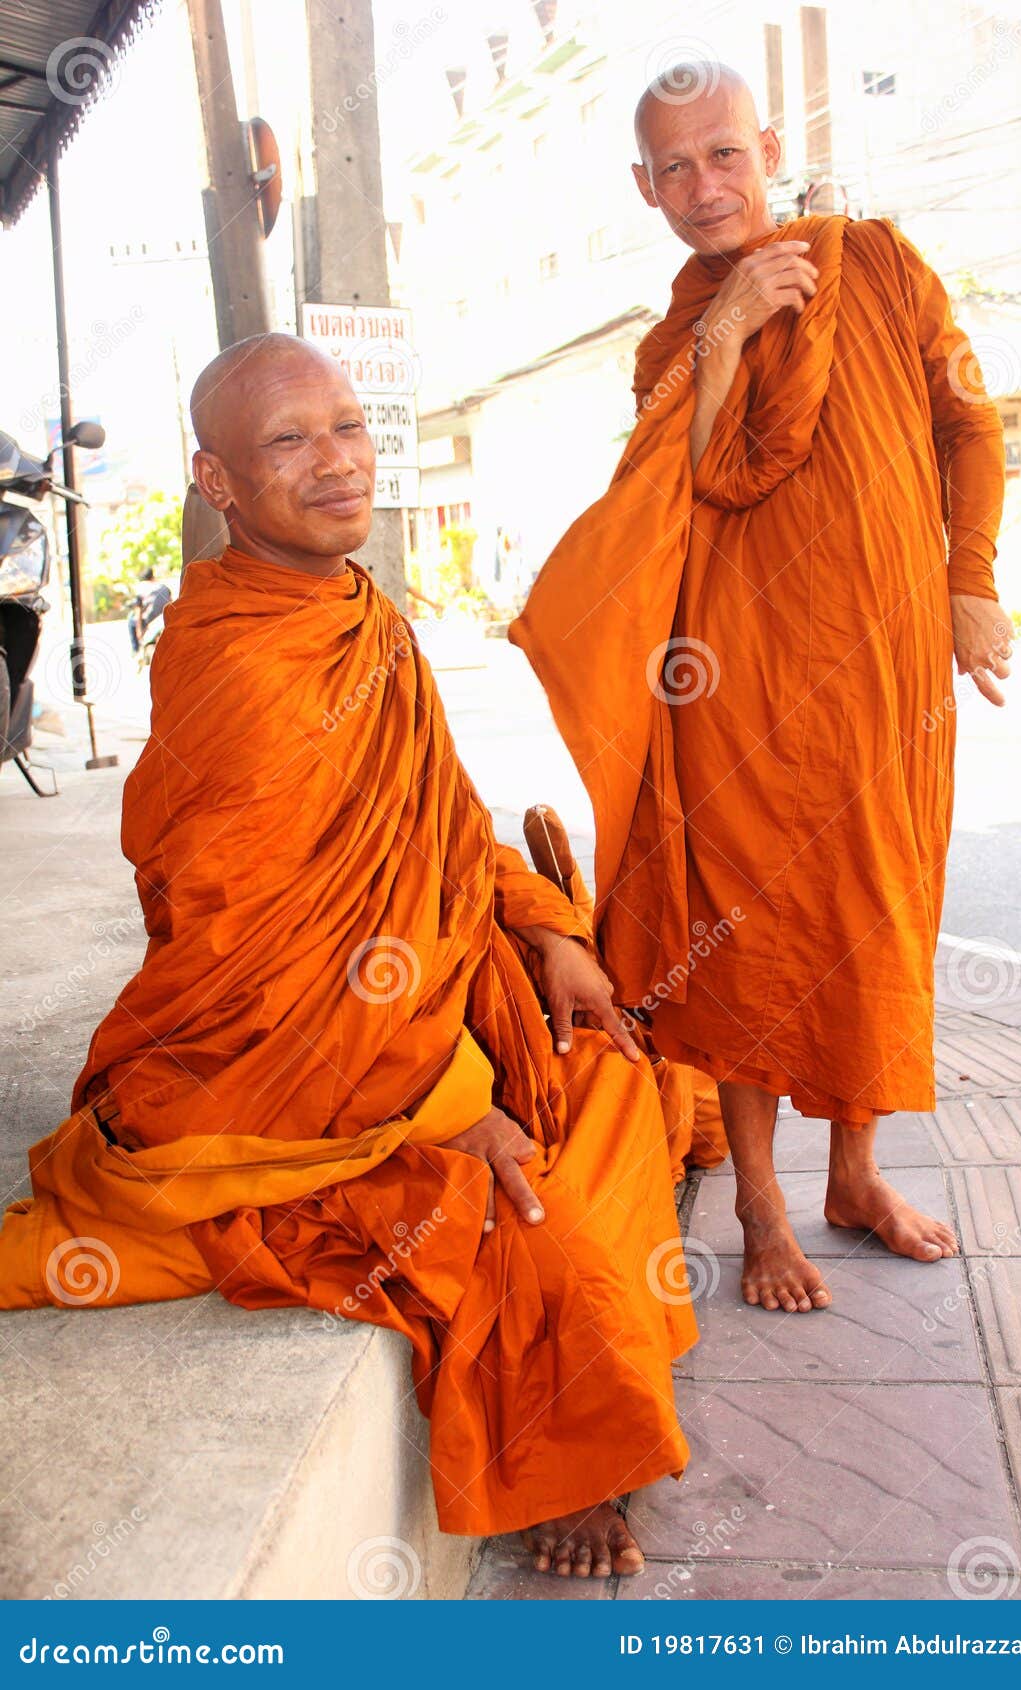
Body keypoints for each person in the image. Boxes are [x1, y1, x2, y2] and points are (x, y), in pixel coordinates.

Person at [0, 333, 696, 1579]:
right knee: (510, 1212)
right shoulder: (241, 662)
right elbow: (260, 961)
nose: (337, 464)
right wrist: (439, 1105)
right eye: (288, 441)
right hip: (278, 1077)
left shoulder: (361, 612)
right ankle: (569, 1470)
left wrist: (544, 929)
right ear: (217, 483)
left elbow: (443, 810)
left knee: (615, 1081)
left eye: (348, 427)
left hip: (404, 1019)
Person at [511, 64, 1012, 1315]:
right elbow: (701, 479)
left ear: (767, 147)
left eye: (721, 155)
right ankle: (759, 1202)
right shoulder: (669, 339)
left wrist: (970, 578)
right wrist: (728, 326)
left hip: (888, 670)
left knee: (870, 913)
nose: (702, 186)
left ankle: (854, 1175)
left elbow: (970, 424)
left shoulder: (878, 265)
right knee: (737, 929)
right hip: (728, 676)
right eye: (672, 168)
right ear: (642, 188)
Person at [127, 566, 172, 655]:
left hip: (148, 620)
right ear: (152, 576)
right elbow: (171, 603)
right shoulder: (164, 587)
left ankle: (136, 650)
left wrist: (139, 630)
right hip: (164, 618)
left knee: (131, 619)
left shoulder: (140, 588)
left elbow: (138, 609)